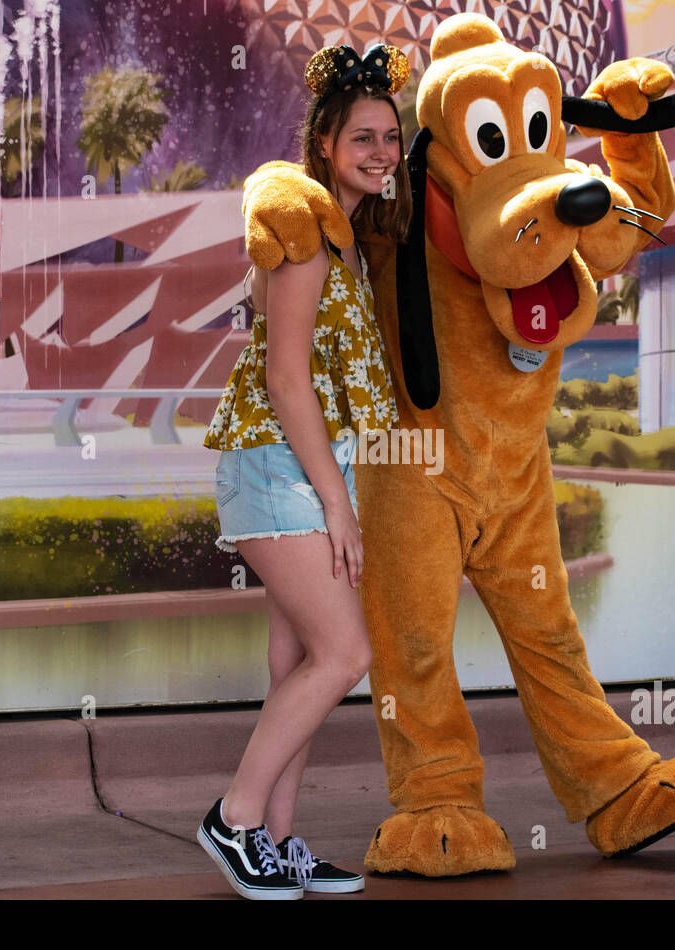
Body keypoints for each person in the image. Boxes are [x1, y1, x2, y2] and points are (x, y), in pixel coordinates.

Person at [196, 43, 412, 900]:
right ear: (324, 143)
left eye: (391, 139)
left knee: (297, 665)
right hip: (279, 470)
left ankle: (277, 844)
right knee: (344, 653)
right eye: (364, 137)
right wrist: (338, 503)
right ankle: (234, 818)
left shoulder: (347, 239)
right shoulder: (307, 235)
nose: (382, 154)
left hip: (313, 469)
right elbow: (285, 377)